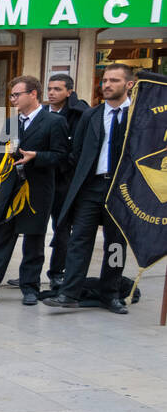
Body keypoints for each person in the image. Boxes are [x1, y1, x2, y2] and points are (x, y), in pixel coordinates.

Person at [0, 75, 70, 305]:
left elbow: (62, 157)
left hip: (37, 191)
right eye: (11, 95)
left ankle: (30, 288)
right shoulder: (12, 123)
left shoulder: (54, 122)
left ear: (33, 94)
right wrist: (7, 155)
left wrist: (36, 157)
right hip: (10, 189)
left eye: (17, 94)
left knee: (33, 241)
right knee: (1, 239)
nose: (13, 99)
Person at [44, 63, 134, 315]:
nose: (106, 85)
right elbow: (77, 153)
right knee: (78, 240)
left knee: (115, 245)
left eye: (114, 81)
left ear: (129, 85)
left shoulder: (138, 116)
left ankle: (111, 292)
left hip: (122, 190)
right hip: (91, 188)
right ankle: (69, 293)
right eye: (104, 80)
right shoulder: (91, 115)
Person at [36, 73, 89, 289]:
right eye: (49, 89)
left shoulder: (80, 114)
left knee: (62, 227)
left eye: (57, 89)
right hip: (40, 177)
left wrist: (63, 167)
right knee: (36, 228)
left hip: (64, 179)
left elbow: (78, 150)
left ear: (69, 91)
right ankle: (30, 273)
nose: (51, 93)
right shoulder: (42, 113)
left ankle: (57, 272)